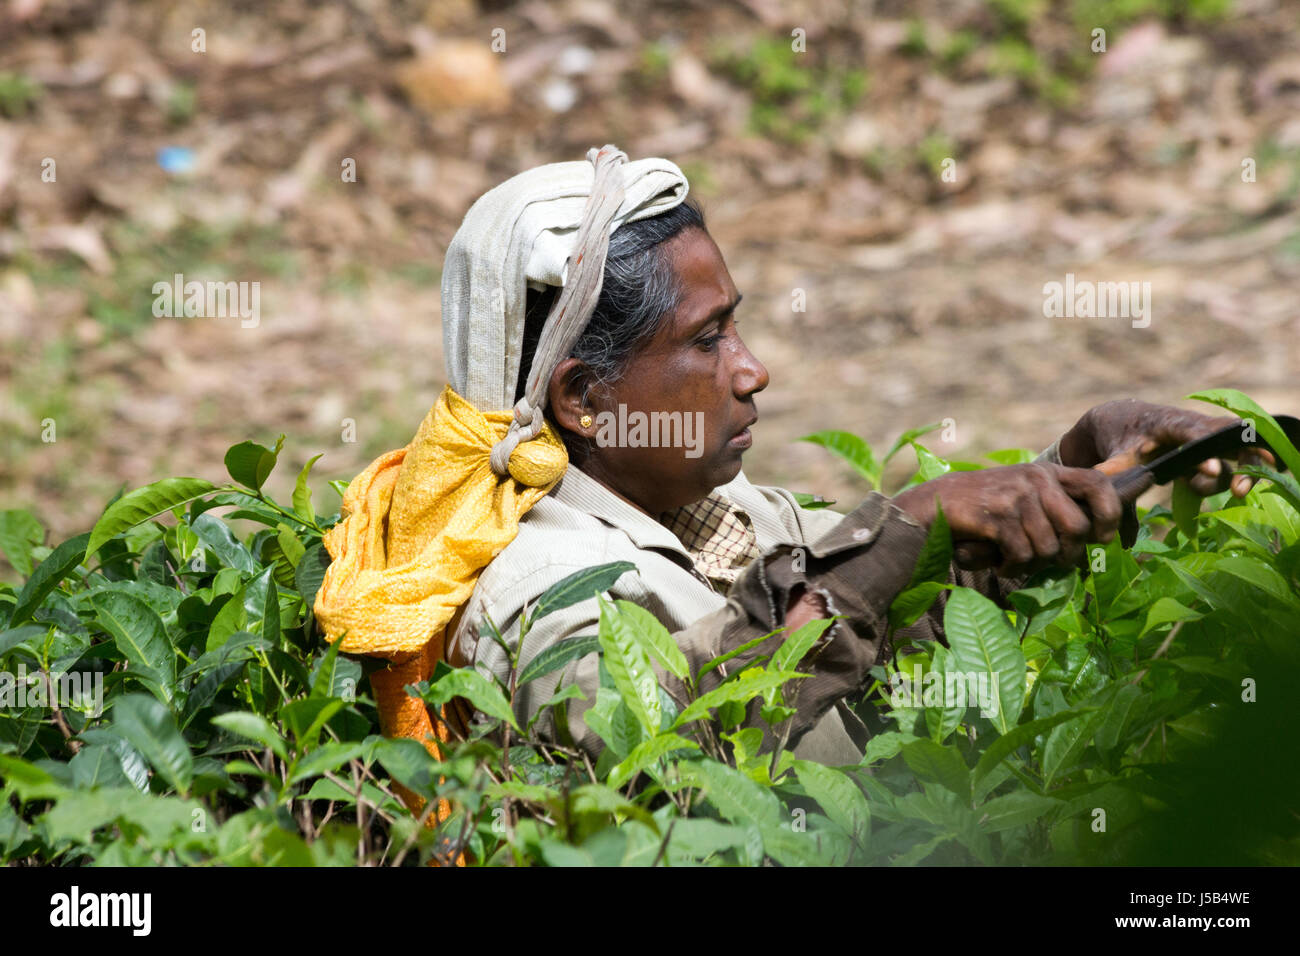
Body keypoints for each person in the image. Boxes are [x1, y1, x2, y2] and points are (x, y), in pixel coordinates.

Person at [433, 154, 1261, 766]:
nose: (753, 371)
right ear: (582, 400)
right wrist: (910, 522)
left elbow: (901, 610)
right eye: (708, 338)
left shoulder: (730, 517)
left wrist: (1080, 458)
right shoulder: (539, 585)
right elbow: (650, 741)